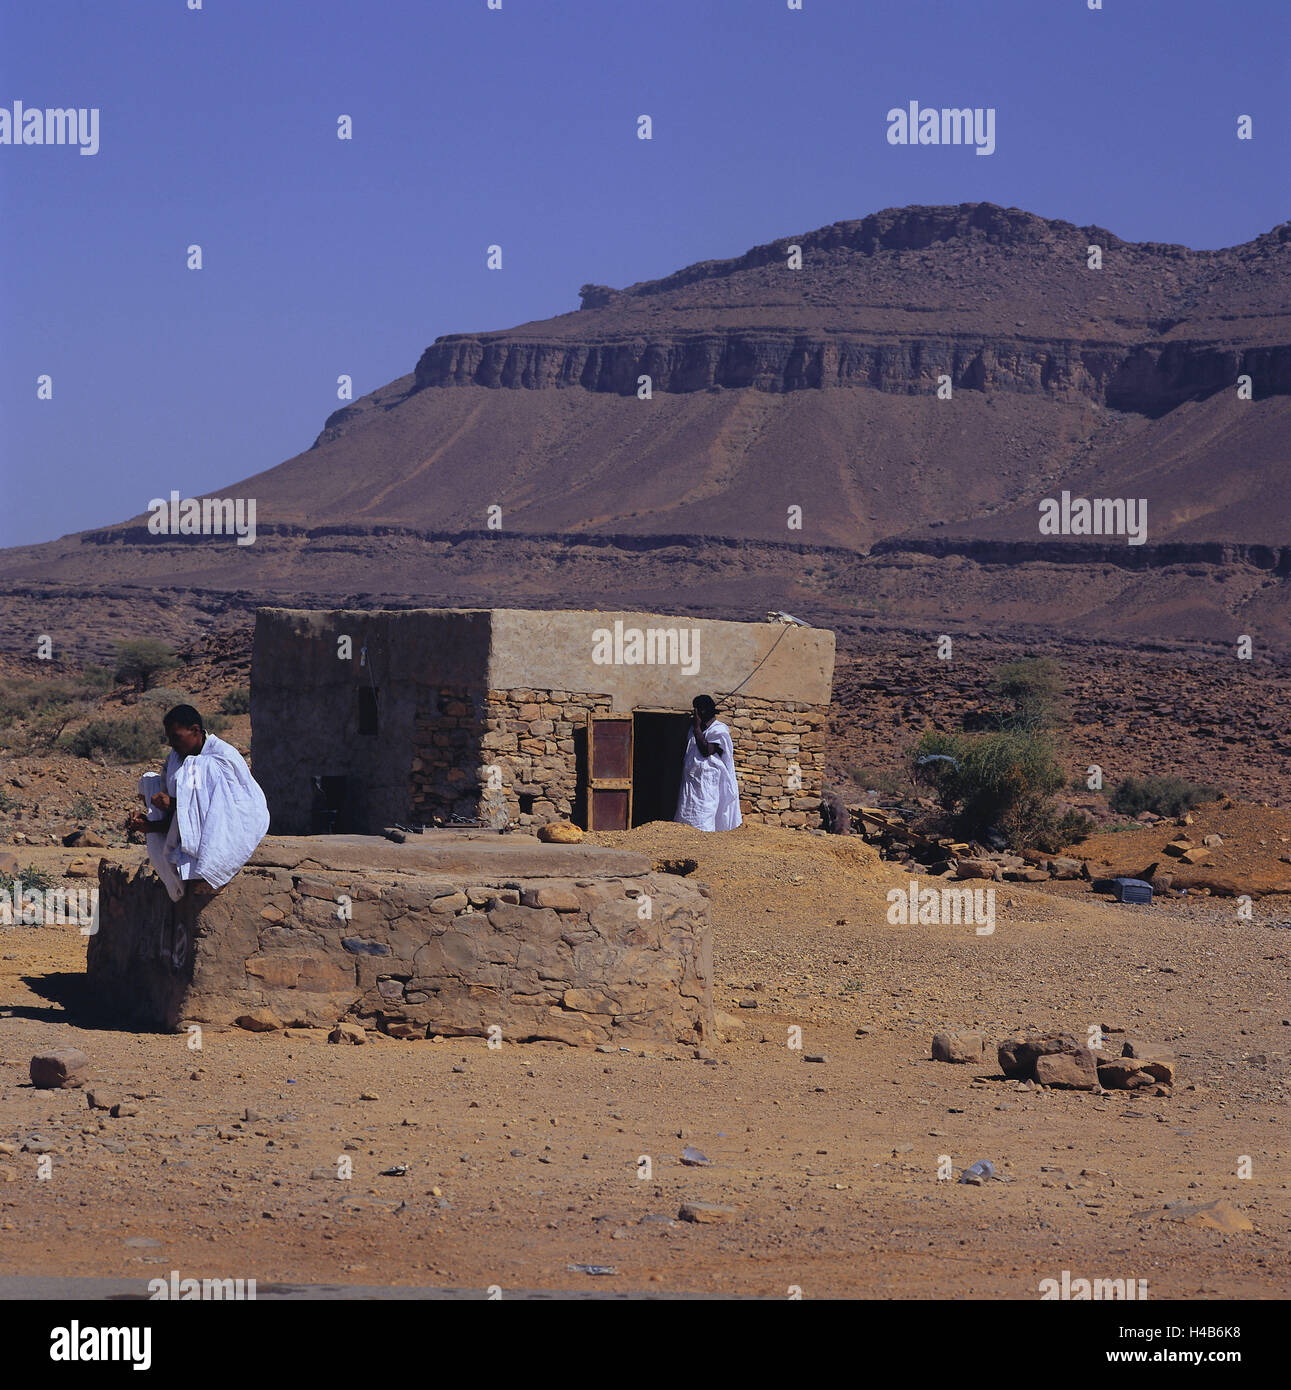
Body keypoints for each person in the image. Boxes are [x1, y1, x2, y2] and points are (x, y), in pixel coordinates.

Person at [125, 705, 270, 902]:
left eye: (176, 737)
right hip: (185, 828)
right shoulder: (176, 758)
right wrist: (150, 824)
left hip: (228, 823)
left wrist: (174, 803)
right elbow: (183, 818)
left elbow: (223, 807)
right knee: (150, 780)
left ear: (195, 730)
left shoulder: (222, 756)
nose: (172, 744)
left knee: (200, 767)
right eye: (169, 739)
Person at [674, 694, 743, 832]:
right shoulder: (694, 731)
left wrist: (697, 729)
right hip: (691, 784)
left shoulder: (719, 730)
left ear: (703, 711)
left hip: (707, 785)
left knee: (703, 819)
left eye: (697, 710)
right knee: (686, 819)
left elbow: (706, 750)